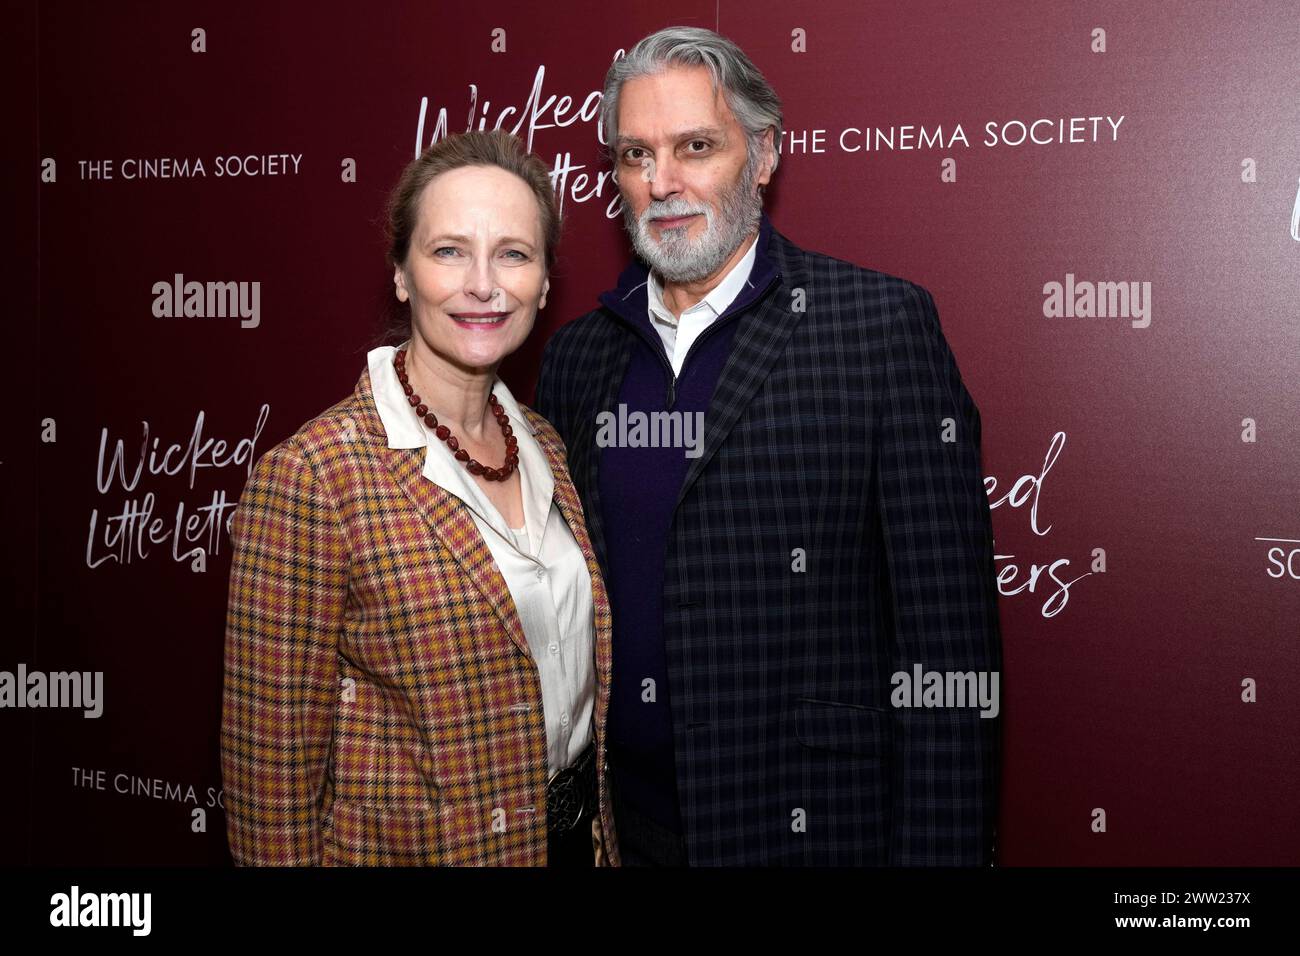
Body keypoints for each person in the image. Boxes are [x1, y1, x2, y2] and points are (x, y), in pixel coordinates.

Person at [535, 26, 1003, 865]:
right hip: (624, 836)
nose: (662, 183)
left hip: (816, 832)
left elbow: (948, 653)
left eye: (696, 147)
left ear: (763, 156)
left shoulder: (879, 329)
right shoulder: (577, 356)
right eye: (636, 154)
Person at [221, 129, 619, 866]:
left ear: (544, 282)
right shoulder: (314, 477)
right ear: (402, 274)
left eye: (513, 253)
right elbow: (269, 792)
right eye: (449, 251)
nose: (483, 284)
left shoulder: (546, 445)